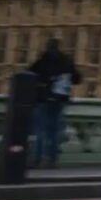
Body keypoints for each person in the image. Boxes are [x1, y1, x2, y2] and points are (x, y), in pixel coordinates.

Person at [28, 37, 81, 168]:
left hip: (43, 99)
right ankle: (52, 159)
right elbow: (77, 79)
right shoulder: (66, 61)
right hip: (59, 100)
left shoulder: (42, 60)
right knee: (55, 131)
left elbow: (29, 75)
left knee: (40, 130)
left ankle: (37, 159)